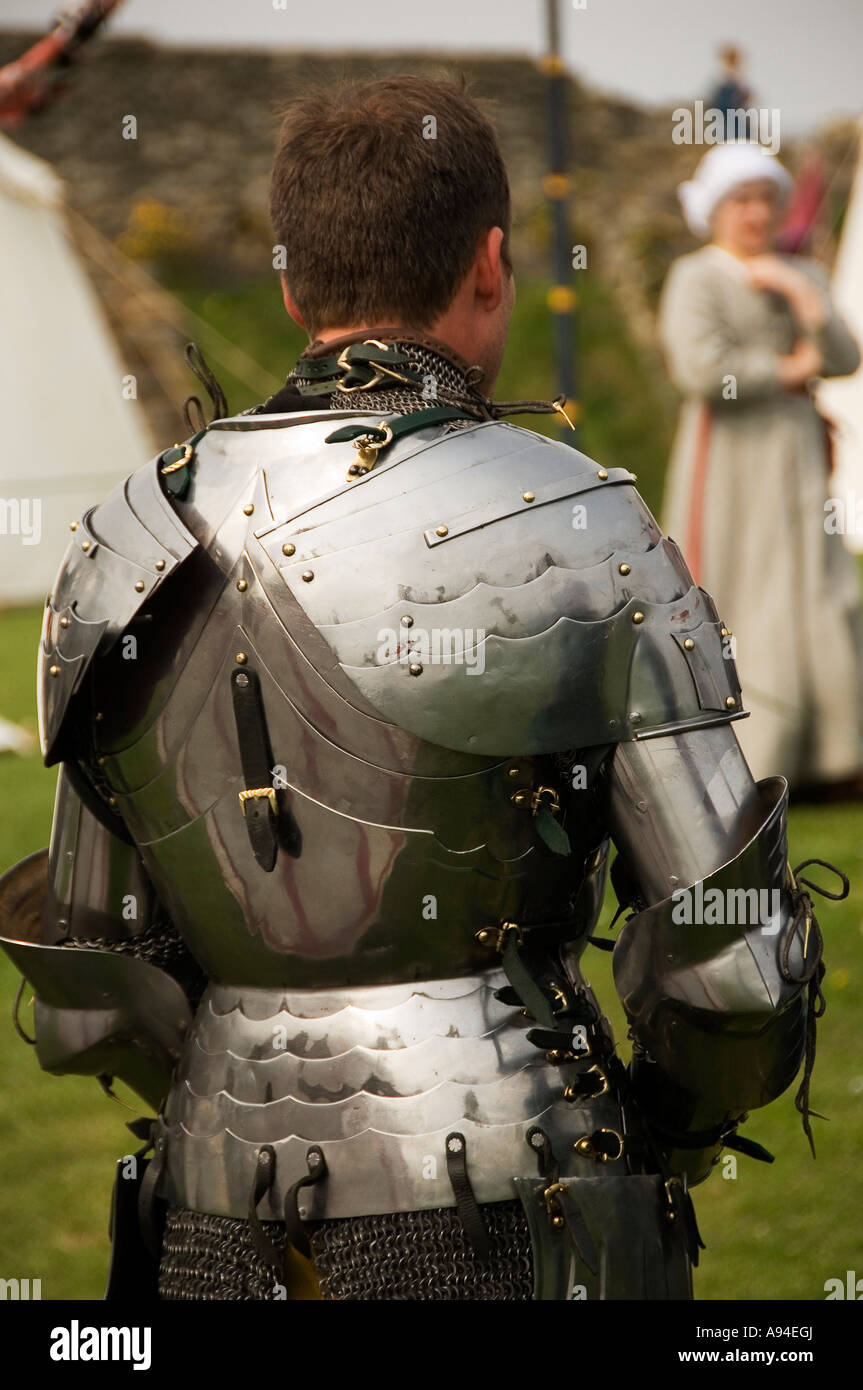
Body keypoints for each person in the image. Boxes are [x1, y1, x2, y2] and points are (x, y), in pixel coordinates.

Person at [0, 79, 844, 1302]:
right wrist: (667, 1131)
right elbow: (728, 966)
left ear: (292, 289)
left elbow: (89, 979)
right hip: (520, 1178)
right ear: (492, 263)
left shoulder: (126, 540)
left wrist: (242, 1110)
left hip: (211, 1202)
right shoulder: (569, 520)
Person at [659, 140, 863, 793]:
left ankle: (832, 755)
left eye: (764, 200)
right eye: (741, 200)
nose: (754, 213)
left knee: (817, 588)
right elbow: (698, 368)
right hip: (728, 460)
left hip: (798, 457)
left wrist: (803, 301)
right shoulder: (696, 275)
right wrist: (784, 369)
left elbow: (842, 356)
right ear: (717, 208)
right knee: (740, 590)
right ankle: (747, 754)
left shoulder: (799, 273)